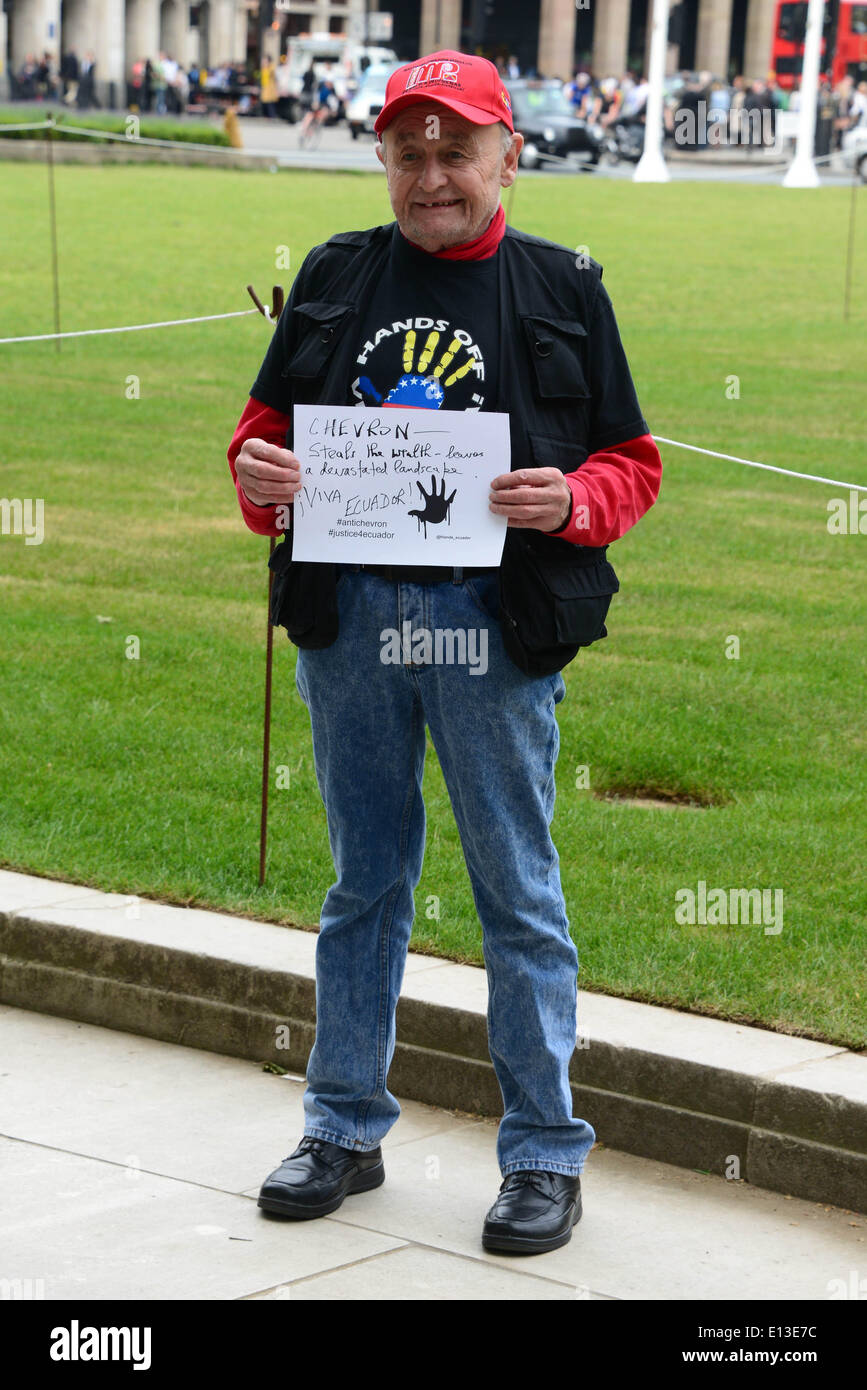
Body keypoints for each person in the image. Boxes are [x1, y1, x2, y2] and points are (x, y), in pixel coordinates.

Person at [227, 48, 661, 1256]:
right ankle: (343, 1124)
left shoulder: (565, 286)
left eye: (454, 148)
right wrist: (257, 477)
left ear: (506, 155)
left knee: (515, 888)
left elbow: (634, 459)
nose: (430, 174)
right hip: (350, 622)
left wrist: (570, 503)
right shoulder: (331, 276)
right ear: (383, 158)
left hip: (495, 627)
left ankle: (540, 1153)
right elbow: (263, 443)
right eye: (407, 150)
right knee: (363, 880)